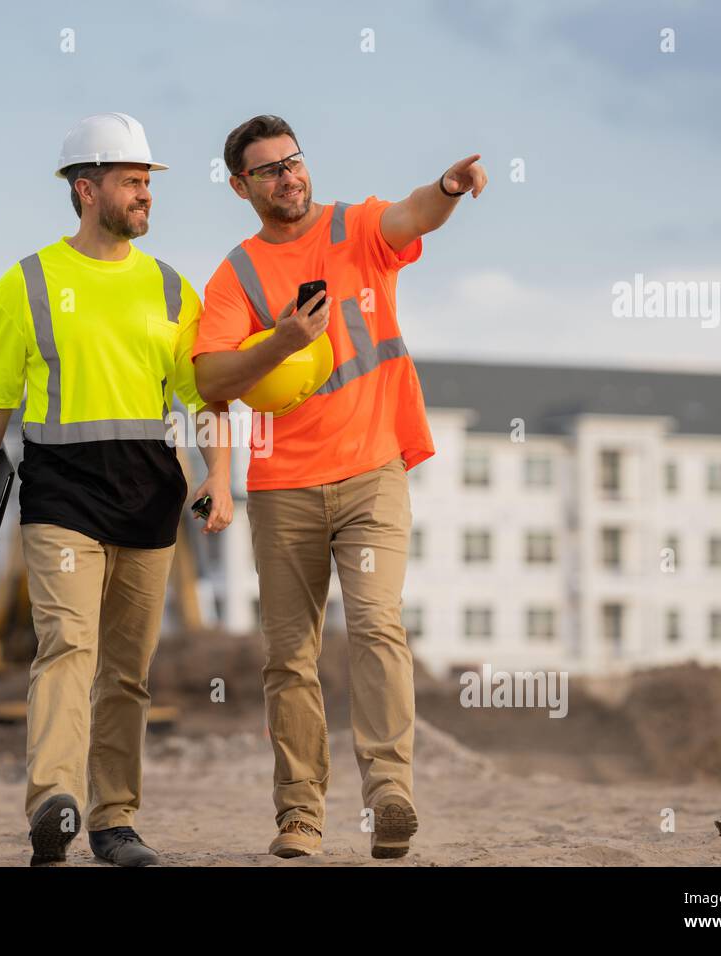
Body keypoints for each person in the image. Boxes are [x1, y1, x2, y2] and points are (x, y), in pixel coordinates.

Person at [192, 114, 486, 859]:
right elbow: (210, 380)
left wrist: (449, 186)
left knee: (378, 624)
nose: (289, 176)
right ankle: (300, 816)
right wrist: (284, 340)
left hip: (370, 473)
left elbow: (414, 212)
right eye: (269, 169)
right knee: (289, 657)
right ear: (240, 185)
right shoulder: (238, 275)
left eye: (294, 161)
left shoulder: (357, 229)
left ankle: (390, 792)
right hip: (284, 487)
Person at [0, 112, 233, 866]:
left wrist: (222, 475)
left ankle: (114, 822)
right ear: (87, 190)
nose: (146, 194)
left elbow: (203, 394)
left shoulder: (173, 289)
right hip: (60, 494)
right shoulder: (30, 282)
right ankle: (55, 802)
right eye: (132, 181)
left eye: (148, 182)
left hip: (150, 492)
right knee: (66, 646)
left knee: (126, 672)